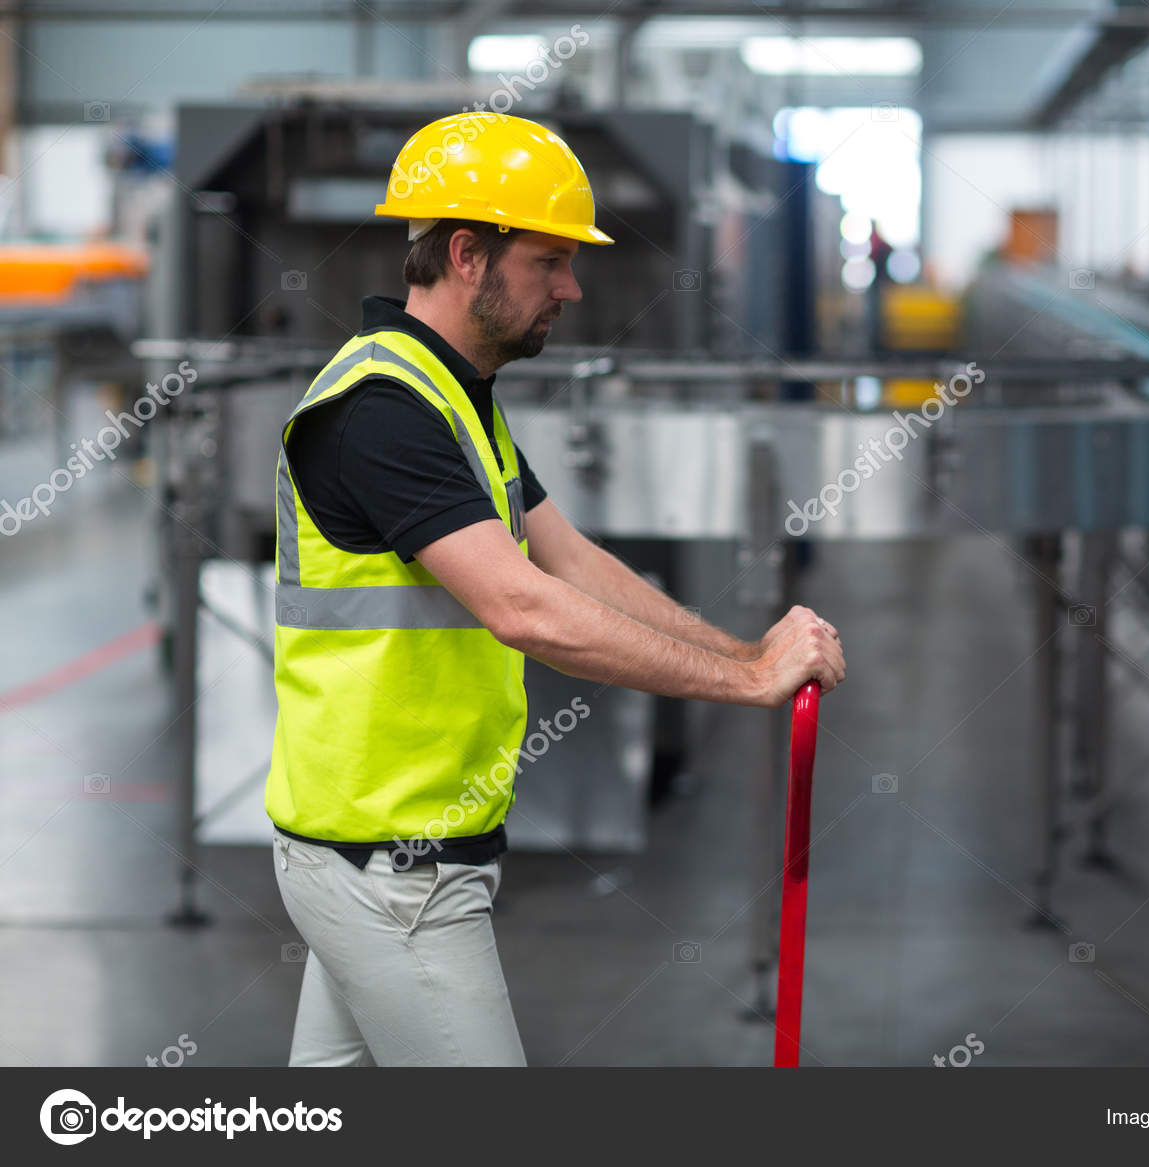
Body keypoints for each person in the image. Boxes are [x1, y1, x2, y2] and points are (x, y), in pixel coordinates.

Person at [265, 112, 846, 1066]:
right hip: (393, 870)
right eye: (551, 261)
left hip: (379, 847)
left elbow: (570, 561)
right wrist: (747, 686)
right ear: (467, 254)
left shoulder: (452, 396)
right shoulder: (380, 413)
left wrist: (745, 652)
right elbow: (522, 605)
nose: (572, 287)